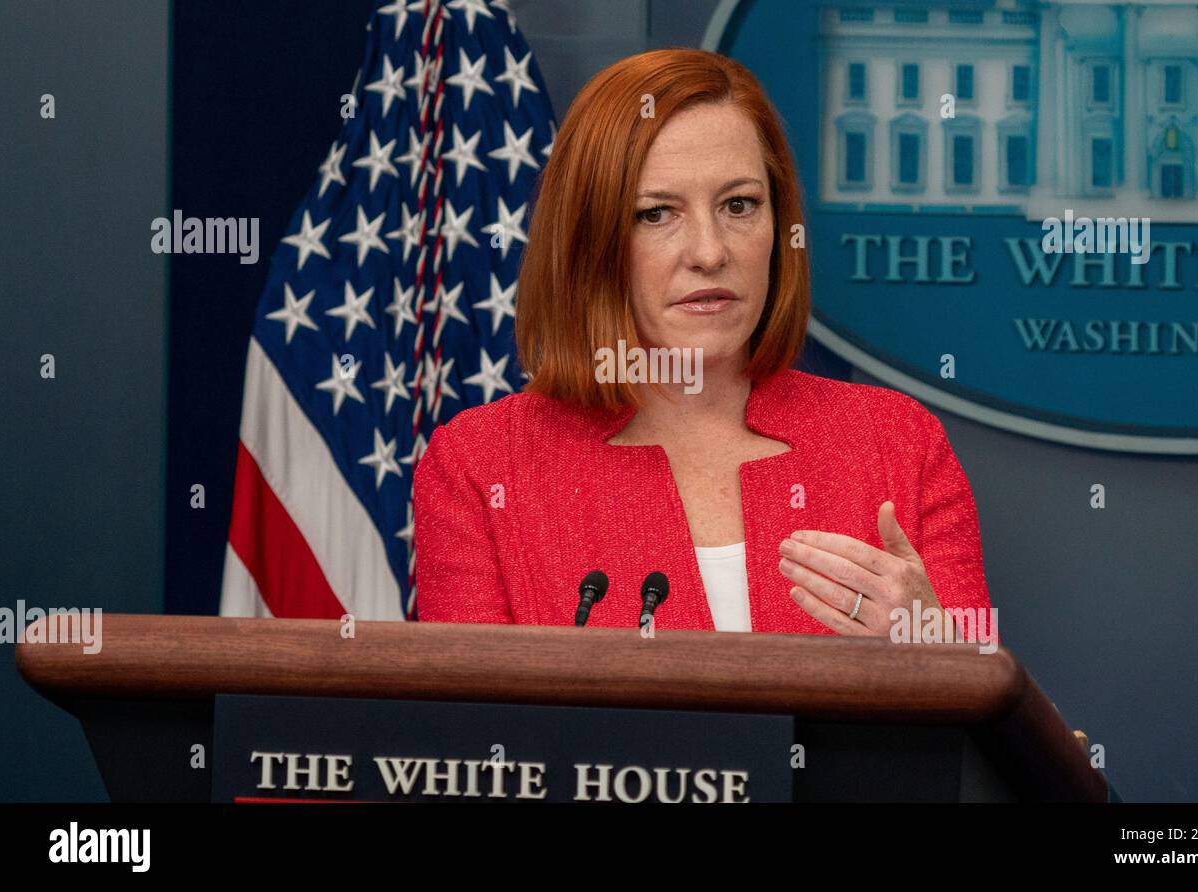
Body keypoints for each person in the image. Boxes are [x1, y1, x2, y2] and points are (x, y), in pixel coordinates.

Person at [413, 47, 993, 637]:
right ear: (590, 242)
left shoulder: (895, 443)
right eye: (657, 213)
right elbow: (473, 726)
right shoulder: (482, 466)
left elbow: (987, 710)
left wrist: (935, 649)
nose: (710, 252)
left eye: (739, 205)